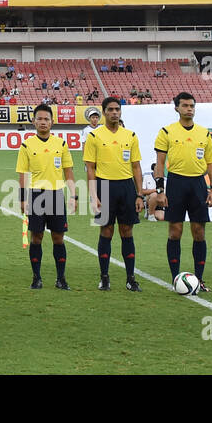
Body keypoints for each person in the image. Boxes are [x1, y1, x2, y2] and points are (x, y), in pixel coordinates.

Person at [153, 92, 212, 292]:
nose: (189, 109)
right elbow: (159, 162)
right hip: (175, 183)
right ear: (177, 108)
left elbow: (211, 162)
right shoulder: (167, 131)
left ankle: (199, 279)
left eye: (192, 106)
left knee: (199, 232)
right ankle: (176, 278)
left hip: (198, 185)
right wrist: (160, 189)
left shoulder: (204, 133)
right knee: (175, 231)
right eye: (185, 106)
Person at [84, 97, 143, 292]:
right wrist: (93, 195)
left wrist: (139, 194)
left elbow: (136, 167)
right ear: (104, 112)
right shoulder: (94, 136)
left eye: (117, 109)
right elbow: (90, 168)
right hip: (104, 186)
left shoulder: (131, 135)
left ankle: (130, 278)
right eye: (110, 109)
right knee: (106, 231)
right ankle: (104, 277)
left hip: (126, 187)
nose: (115, 113)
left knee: (127, 232)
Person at [17, 103, 75, 290]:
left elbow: (69, 172)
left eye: (46, 119)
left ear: (52, 122)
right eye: (39, 119)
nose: (43, 122)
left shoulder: (61, 144)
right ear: (34, 121)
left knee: (59, 238)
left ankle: (61, 278)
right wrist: (22, 199)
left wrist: (73, 195)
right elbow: (23, 174)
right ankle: (37, 277)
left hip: (56, 195)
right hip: (35, 195)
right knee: (37, 238)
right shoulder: (26, 145)